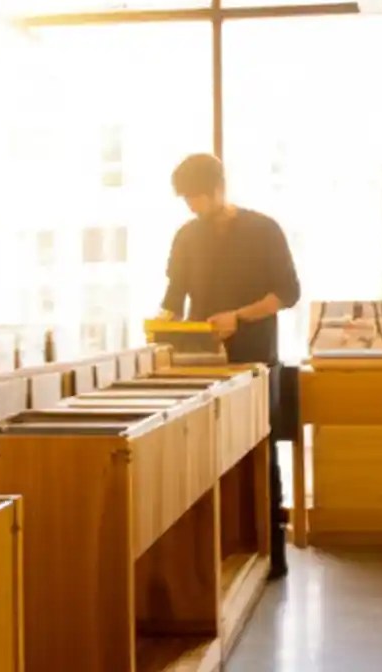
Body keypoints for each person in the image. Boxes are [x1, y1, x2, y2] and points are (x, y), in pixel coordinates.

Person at [159, 152, 300, 580]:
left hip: (256, 360)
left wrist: (237, 316)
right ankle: (218, 558)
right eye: (186, 199)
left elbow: (288, 293)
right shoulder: (186, 236)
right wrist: (158, 332)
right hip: (200, 365)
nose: (193, 206)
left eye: (198, 196)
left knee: (262, 452)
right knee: (204, 457)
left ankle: (272, 552)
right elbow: (172, 298)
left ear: (220, 187)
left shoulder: (263, 229)